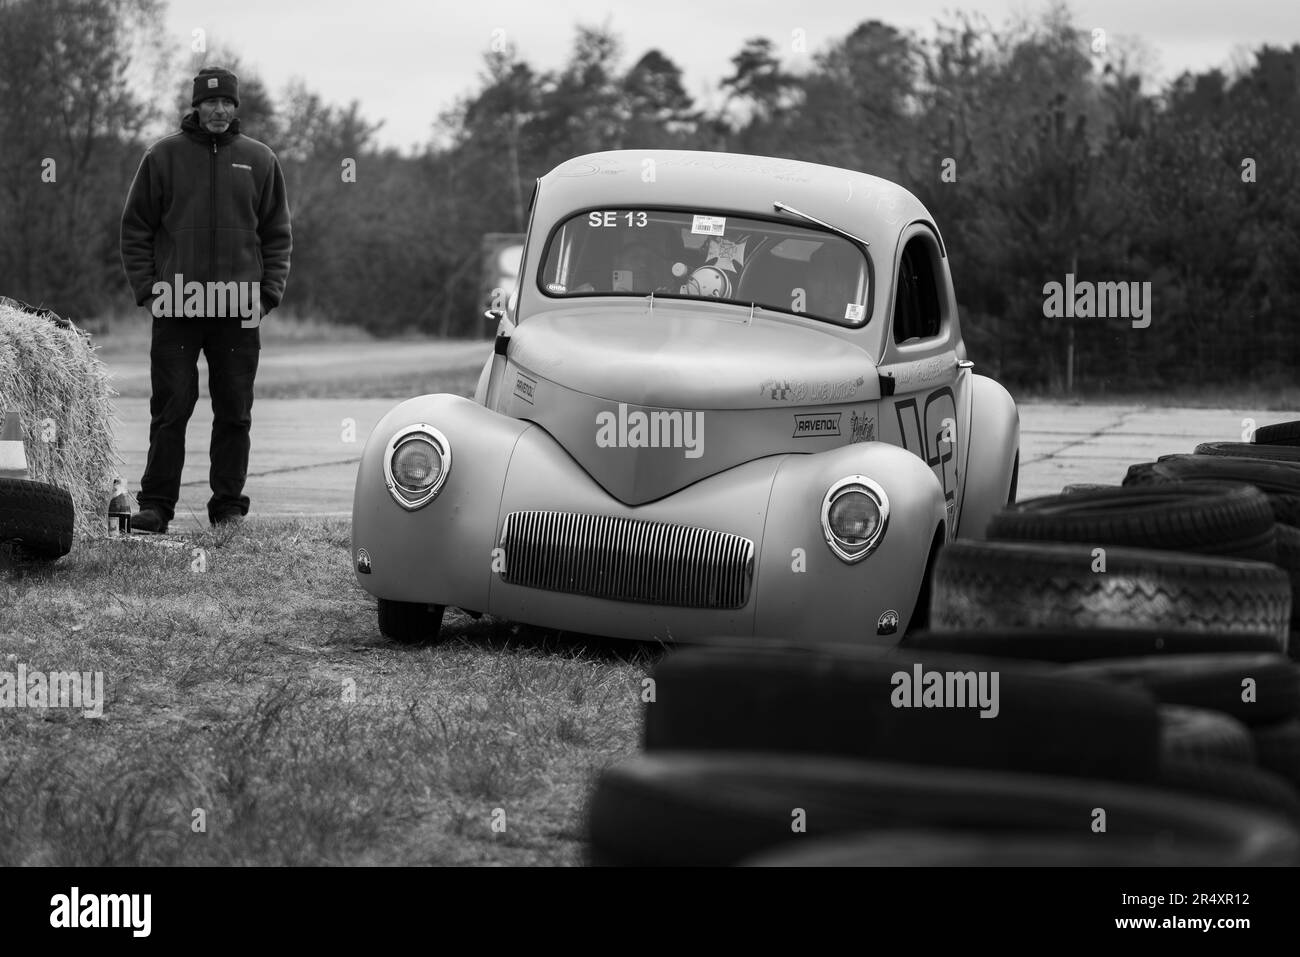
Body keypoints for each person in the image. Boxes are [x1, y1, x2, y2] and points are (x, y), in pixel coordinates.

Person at [120, 67, 292, 533]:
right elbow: (136, 228)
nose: (219, 110)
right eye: (211, 102)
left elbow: (277, 235)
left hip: (237, 308)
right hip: (178, 304)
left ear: (237, 107)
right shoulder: (163, 156)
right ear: (196, 105)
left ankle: (229, 508)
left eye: (227, 103)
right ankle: (156, 506)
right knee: (171, 408)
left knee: (234, 411)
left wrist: (267, 294)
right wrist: (149, 290)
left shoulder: (259, 159)